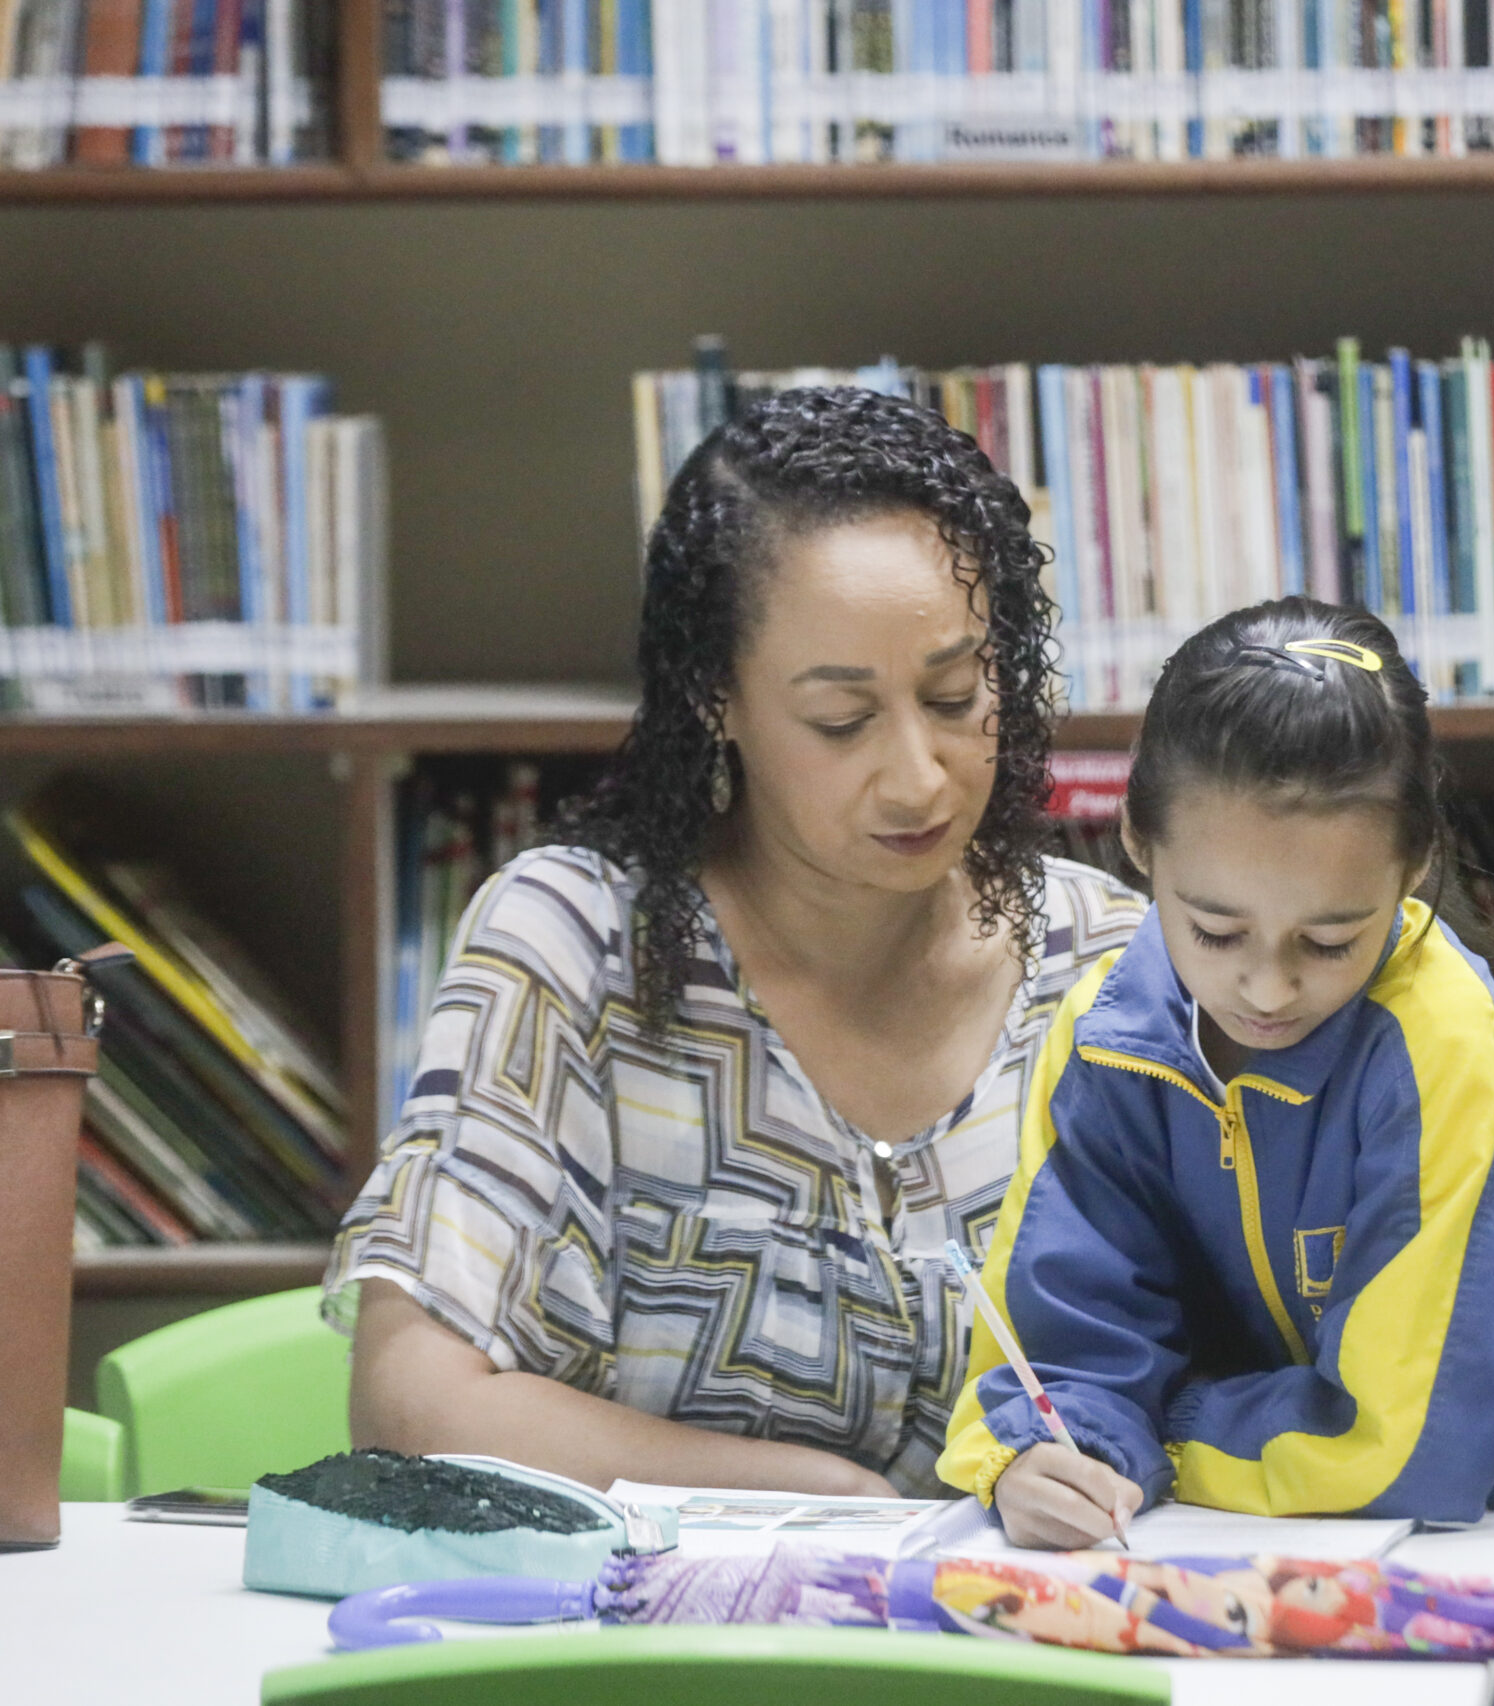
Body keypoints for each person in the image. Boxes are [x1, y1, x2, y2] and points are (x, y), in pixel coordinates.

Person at [326, 388, 1143, 1497]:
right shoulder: (576, 943)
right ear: (720, 698)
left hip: (1011, 1643)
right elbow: (412, 1401)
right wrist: (824, 1495)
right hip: (649, 1645)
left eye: (956, 695)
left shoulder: (1107, 965)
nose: (919, 773)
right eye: (840, 720)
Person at [935, 598, 1494, 1706]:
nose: (1268, 985)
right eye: (1215, 928)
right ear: (1138, 845)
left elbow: (1397, 1450)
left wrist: (1163, 1427)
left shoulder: (1451, 1054)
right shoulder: (1106, 1035)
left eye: (1331, 938)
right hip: (1252, 1606)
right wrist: (1058, 1448)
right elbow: (1066, 1336)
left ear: (1414, 867)